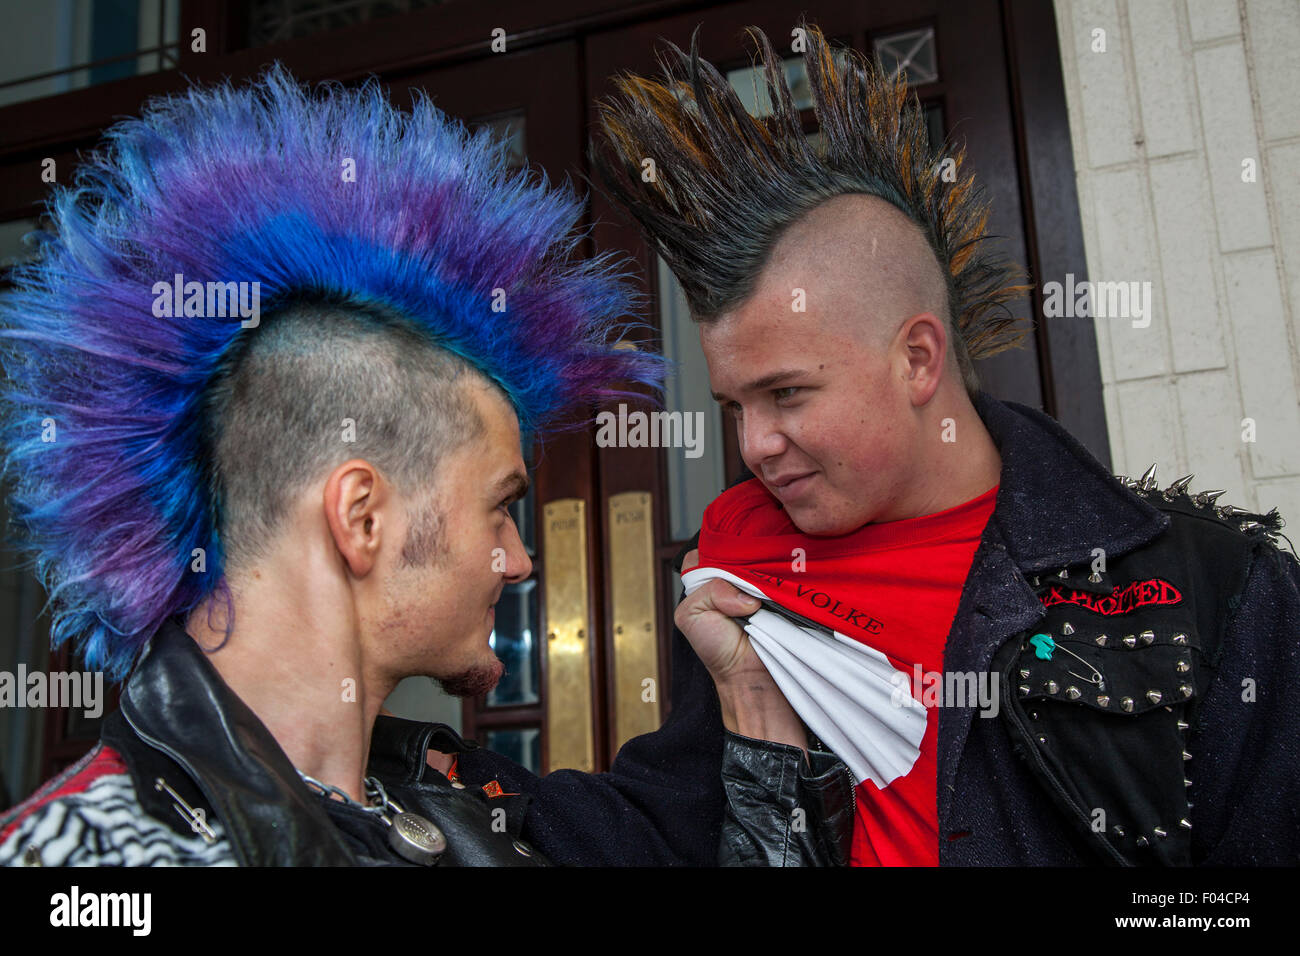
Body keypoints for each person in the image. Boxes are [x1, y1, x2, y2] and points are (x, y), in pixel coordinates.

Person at [453, 23, 1300, 866]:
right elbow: (669, 830)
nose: (754, 445)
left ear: (917, 359)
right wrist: (398, 781)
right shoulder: (740, 561)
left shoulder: (1209, 590)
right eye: (732, 406)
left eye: (787, 393)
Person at [0, 64, 827, 866]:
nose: (520, 559)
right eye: (500, 505)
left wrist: (753, 708)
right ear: (361, 517)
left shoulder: (454, 811)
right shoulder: (98, 852)